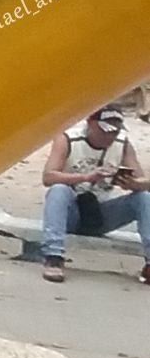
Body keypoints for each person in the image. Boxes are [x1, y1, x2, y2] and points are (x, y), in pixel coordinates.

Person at [40, 105, 150, 284]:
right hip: (71, 210)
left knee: (144, 197)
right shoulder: (68, 139)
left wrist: (136, 184)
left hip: (101, 212)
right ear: (90, 123)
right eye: (105, 131)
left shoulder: (122, 144)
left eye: (115, 132)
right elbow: (48, 177)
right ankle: (53, 257)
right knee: (58, 190)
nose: (110, 137)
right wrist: (86, 177)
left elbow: (144, 181)